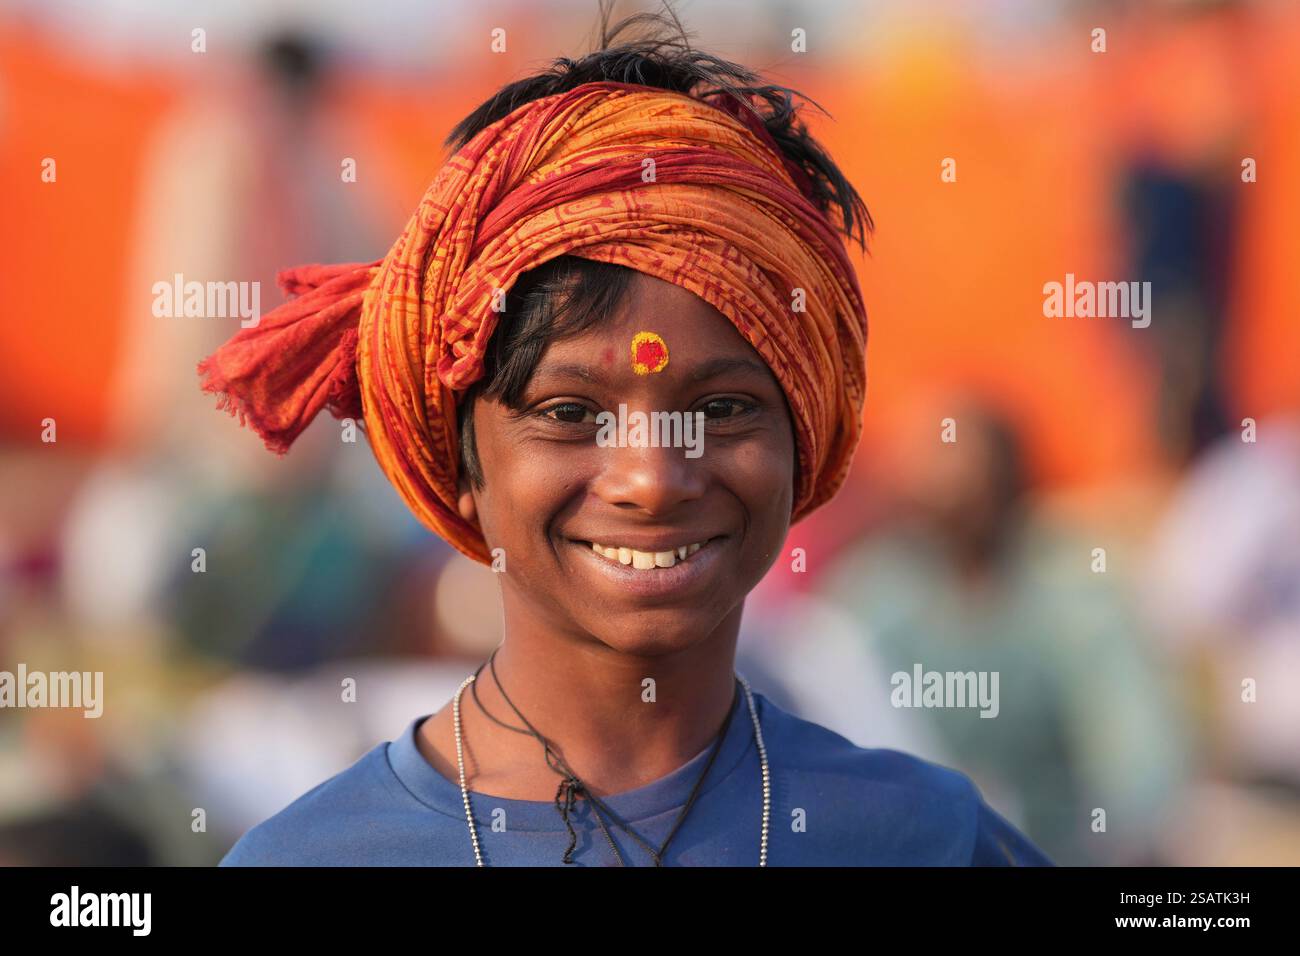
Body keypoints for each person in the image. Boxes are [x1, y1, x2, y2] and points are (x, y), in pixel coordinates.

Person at [202, 8, 1052, 866]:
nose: (651, 478)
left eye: (722, 410)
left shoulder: (919, 838)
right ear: (459, 459)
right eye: (570, 415)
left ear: (805, 436)